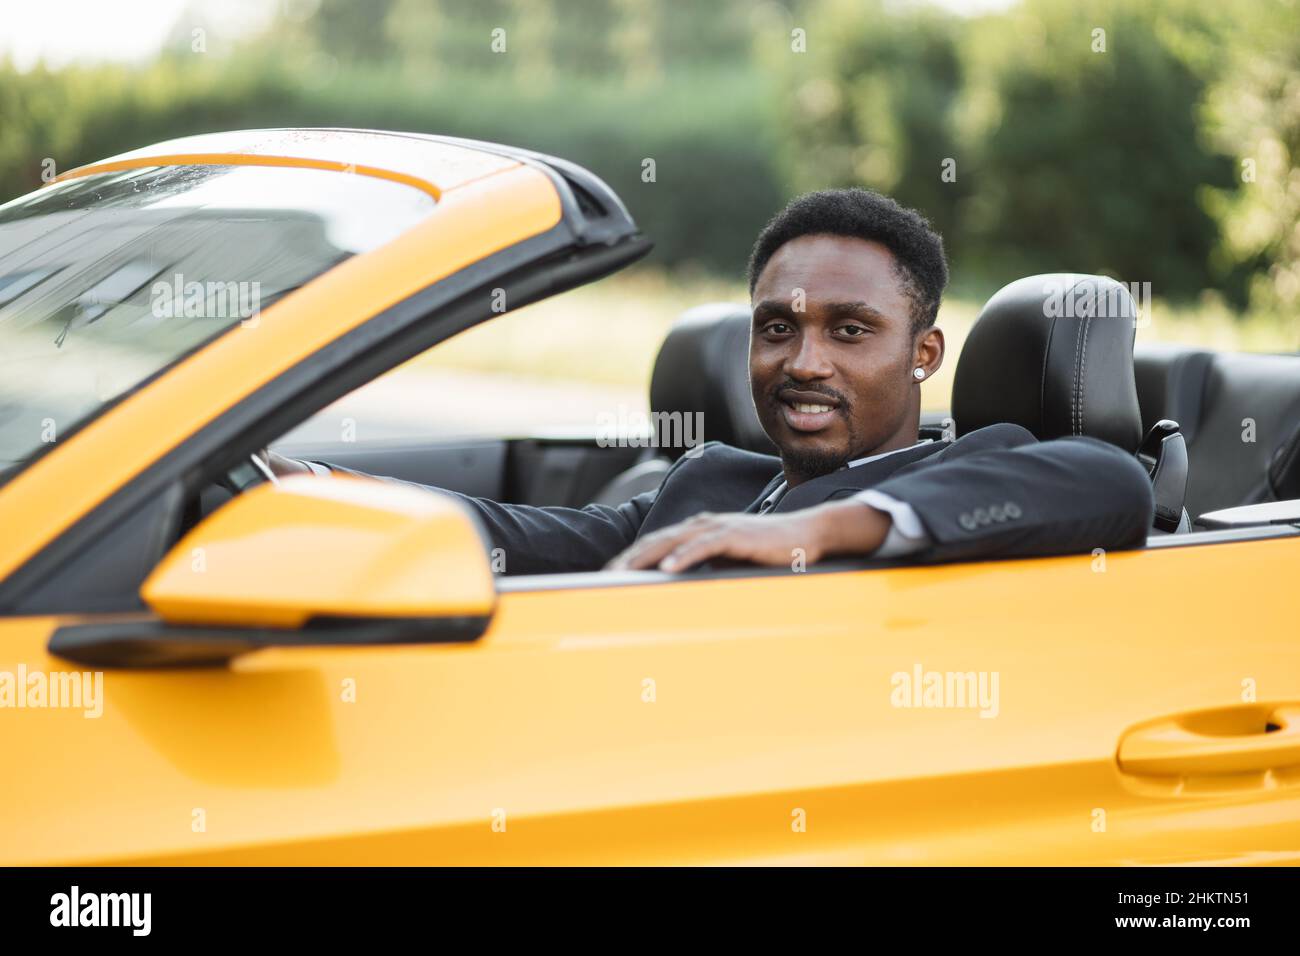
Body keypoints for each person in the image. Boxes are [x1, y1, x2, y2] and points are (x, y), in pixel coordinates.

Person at [268, 188, 1154, 575]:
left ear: (924, 356)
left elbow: (1110, 481)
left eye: (851, 331)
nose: (805, 362)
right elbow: (525, 537)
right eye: (779, 328)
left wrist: (820, 531)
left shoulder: (984, 463)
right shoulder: (712, 479)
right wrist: (313, 486)